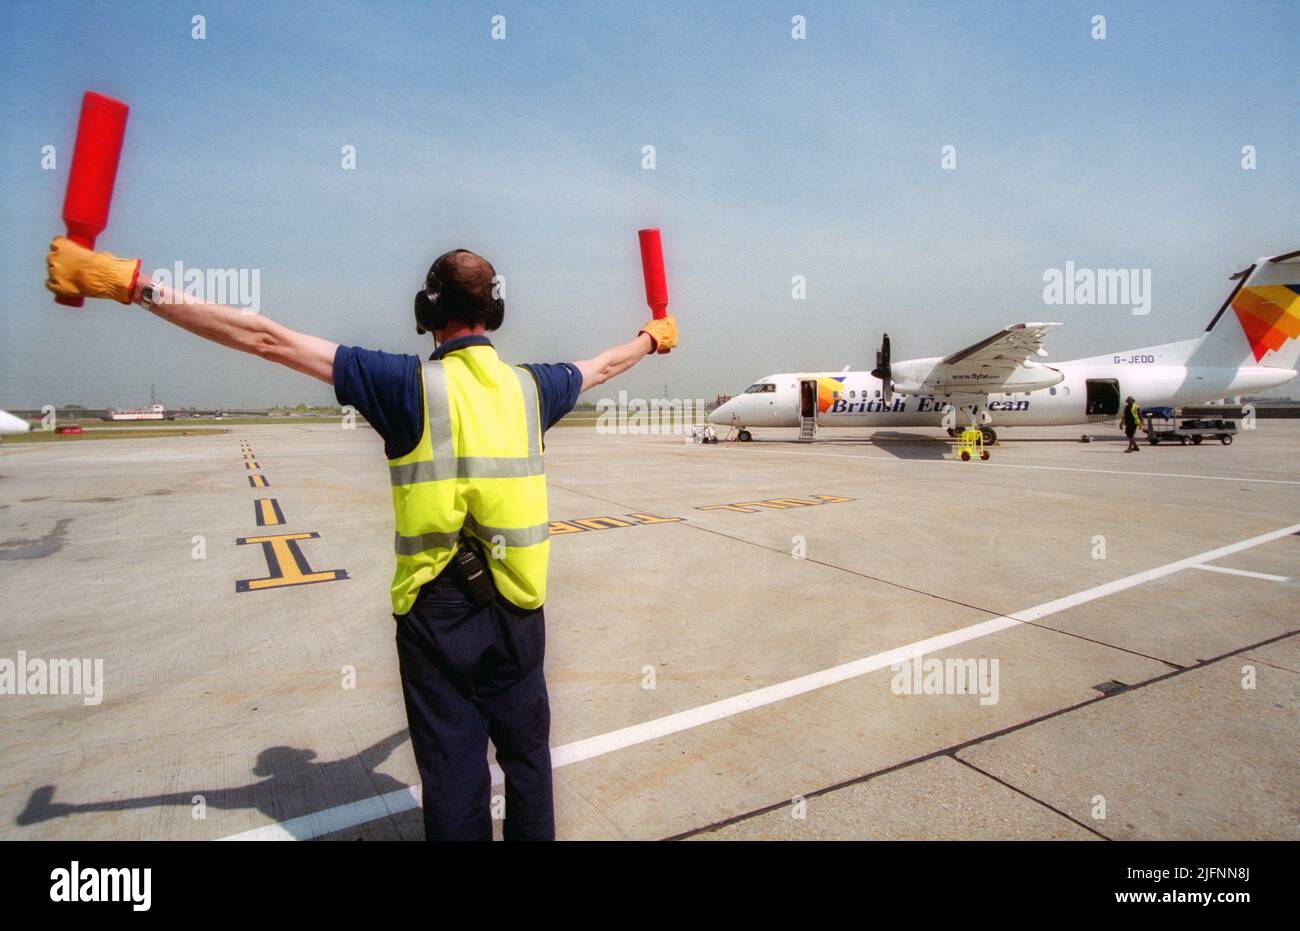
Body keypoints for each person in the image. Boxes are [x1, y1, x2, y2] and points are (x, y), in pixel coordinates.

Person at [44, 237, 679, 840]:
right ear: (496, 310)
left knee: (453, 773)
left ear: (427, 310)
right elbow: (603, 365)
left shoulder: (403, 384)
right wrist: (652, 337)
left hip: (436, 613)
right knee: (527, 760)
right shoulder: (531, 387)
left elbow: (264, 339)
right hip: (520, 607)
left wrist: (131, 285)